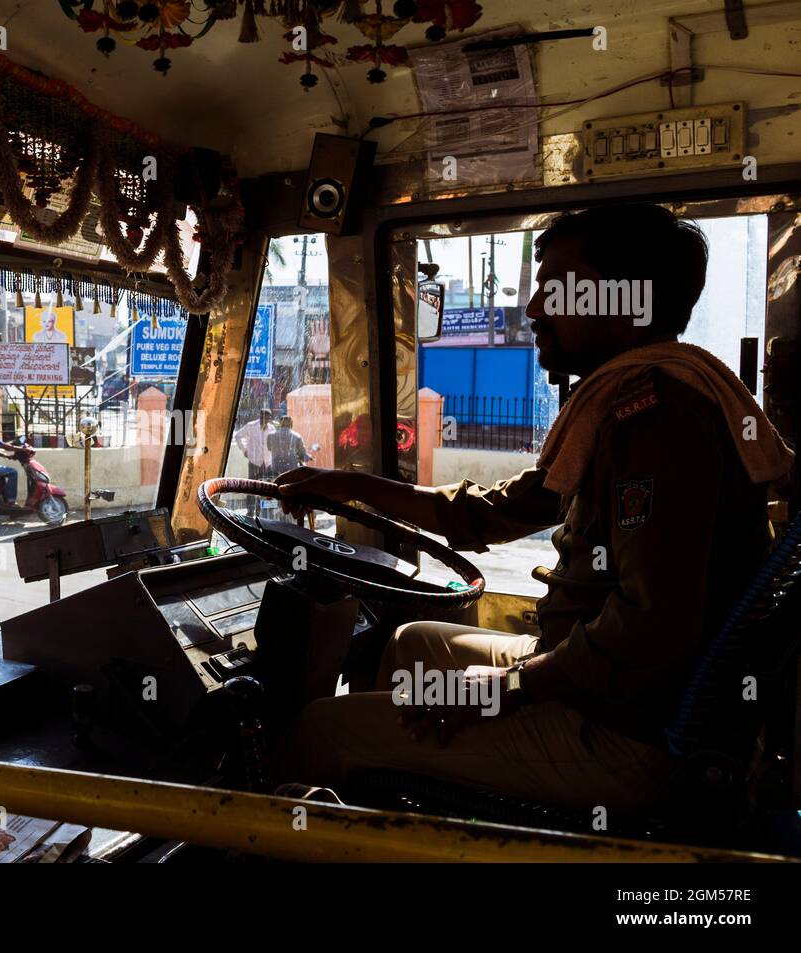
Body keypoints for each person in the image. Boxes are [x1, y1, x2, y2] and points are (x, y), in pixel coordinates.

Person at [271, 204, 794, 812]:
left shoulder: (658, 421)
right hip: (602, 682)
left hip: (635, 737)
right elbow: (492, 514)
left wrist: (506, 688)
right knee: (415, 645)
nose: (535, 310)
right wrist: (348, 485)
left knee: (321, 728)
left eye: (556, 290)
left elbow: (650, 630)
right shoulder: (616, 406)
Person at [234, 409, 275, 516]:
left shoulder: (272, 428)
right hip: (254, 462)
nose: (268, 420)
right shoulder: (251, 426)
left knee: (265, 487)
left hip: (267, 463)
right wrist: (245, 450)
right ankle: (250, 510)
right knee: (251, 486)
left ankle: (261, 510)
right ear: (261, 417)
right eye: (266, 417)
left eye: (269, 418)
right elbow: (238, 436)